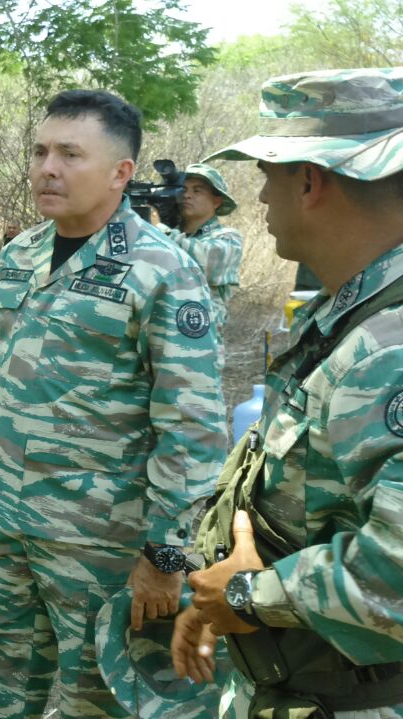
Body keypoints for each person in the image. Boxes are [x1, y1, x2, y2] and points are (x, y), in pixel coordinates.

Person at [0, 89, 227, 719]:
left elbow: (191, 428)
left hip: (103, 540)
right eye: (41, 151)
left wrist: (166, 553)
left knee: (94, 694)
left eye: (70, 154)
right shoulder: (18, 257)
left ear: (121, 173)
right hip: (10, 519)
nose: (47, 167)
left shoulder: (164, 271)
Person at [166, 68, 403, 717]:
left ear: (309, 179)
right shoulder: (348, 317)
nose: (261, 194)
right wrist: (226, 578)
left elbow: (397, 578)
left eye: (269, 169)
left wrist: (244, 595)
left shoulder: (389, 348)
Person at [167, 163, 244, 343]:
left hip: (201, 340)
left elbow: (204, 261)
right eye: (183, 189)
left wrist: (158, 232)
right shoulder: (170, 232)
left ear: (217, 201)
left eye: (197, 191)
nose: (187, 195)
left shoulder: (228, 238)